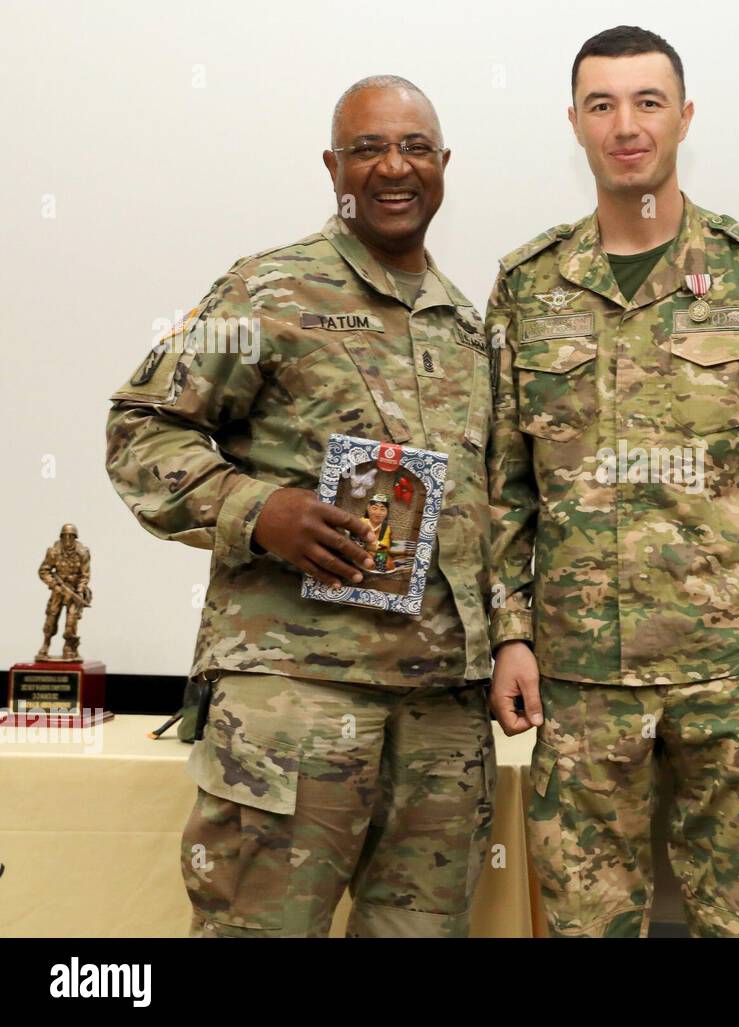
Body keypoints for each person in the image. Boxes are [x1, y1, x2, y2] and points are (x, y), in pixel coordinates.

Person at [105, 76, 496, 938]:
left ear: (443, 165)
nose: (394, 168)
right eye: (368, 149)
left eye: (415, 148)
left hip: (440, 717)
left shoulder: (468, 325)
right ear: (333, 167)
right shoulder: (267, 290)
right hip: (295, 702)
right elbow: (140, 429)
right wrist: (260, 509)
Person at [487, 25, 739, 937]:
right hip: (577, 678)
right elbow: (502, 487)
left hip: (732, 676)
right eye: (602, 104)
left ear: (684, 116)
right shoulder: (527, 286)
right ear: (573, 123)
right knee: (582, 926)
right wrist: (509, 633)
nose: (626, 125)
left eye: (648, 102)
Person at [37, 524, 92, 661]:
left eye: (71, 536)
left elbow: (85, 575)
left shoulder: (82, 553)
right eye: (65, 536)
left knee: (71, 621)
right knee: (51, 617)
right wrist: (55, 586)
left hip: (73, 590)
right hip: (58, 589)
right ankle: (46, 644)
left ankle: (69, 647)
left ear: (75, 537)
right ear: (61, 537)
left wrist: (79, 591)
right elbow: (44, 571)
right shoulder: (54, 551)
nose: (68, 539)